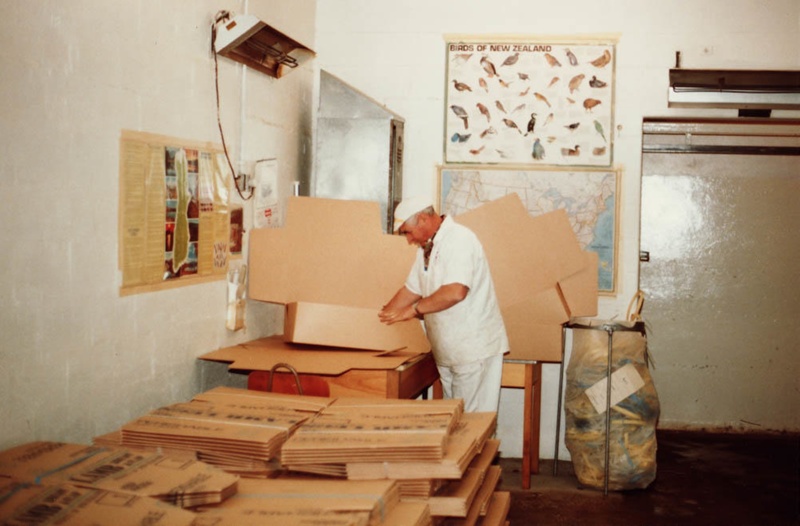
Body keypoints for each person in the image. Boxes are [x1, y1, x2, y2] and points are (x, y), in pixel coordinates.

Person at [378, 196, 509, 412]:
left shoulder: (459, 240)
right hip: (449, 351)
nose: (408, 240)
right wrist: (382, 318)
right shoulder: (427, 248)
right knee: (456, 419)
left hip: (473, 349)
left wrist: (413, 310)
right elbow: (411, 290)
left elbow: (455, 292)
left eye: (407, 232)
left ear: (422, 219)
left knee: (472, 424)